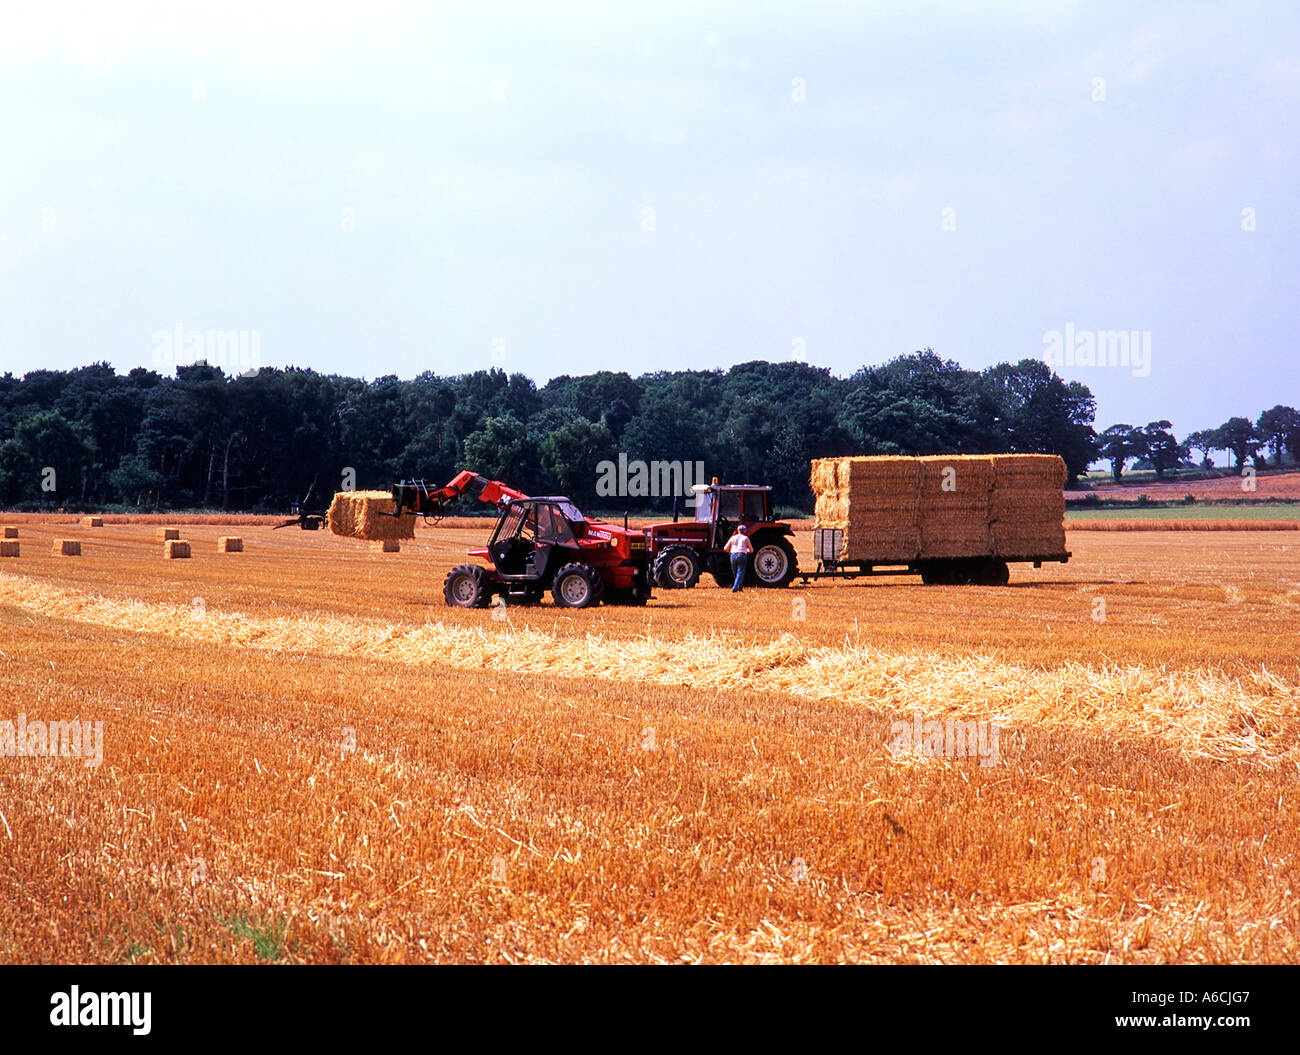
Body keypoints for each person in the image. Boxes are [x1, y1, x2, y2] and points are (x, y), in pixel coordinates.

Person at [723, 524, 753, 592]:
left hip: (733, 555)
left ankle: (739, 588)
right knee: (740, 572)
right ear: (745, 531)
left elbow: (725, 548)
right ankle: (735, 587)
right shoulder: (746, 538)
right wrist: (746, 550)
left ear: (738, 530)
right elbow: (751, 550)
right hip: (741, 555)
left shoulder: (732, 538)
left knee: (735, 573)